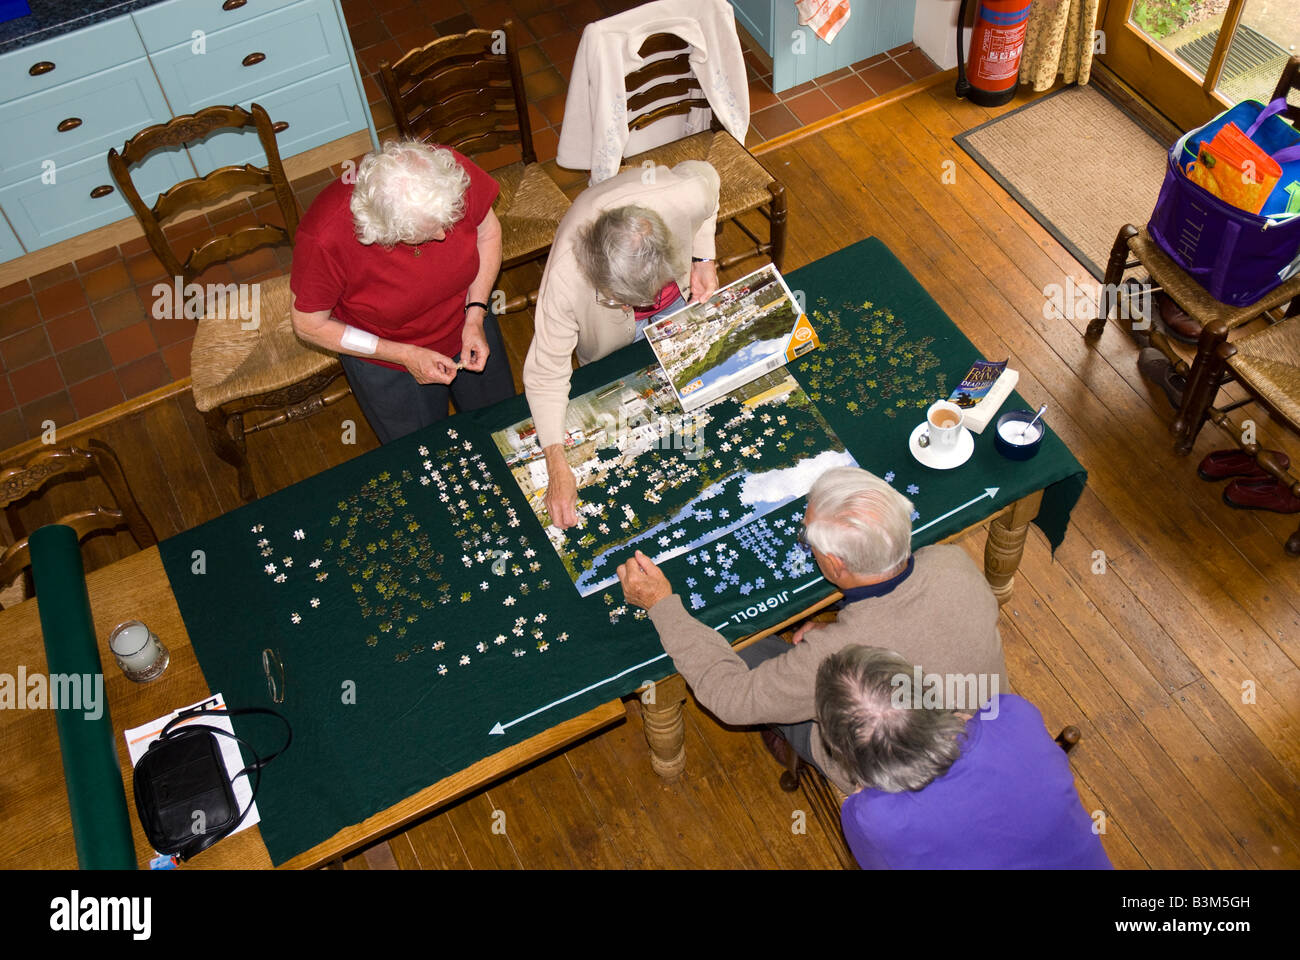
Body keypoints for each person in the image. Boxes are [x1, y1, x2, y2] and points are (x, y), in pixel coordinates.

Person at [616, 465, 1006, 795]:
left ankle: (791, 735)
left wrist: (660, 604)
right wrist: (839, 625)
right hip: (988, 728)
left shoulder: (833, 662)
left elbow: (731, 700)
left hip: (887, 777)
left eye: (807, 539)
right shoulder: (951, 561)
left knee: (734, 646)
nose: (803, 541)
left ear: (836, 565)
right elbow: (901, 622)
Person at [522, 160, 721, 529]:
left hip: (677, 299)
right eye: (624, 298)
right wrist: (556, 460)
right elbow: (546, 374)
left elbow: (708, 176)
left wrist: (703, 256)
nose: (640, 307)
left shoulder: (681, 196)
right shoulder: (566, 277)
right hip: (608, 339)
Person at [290, 140, 514, 444]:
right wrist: (403, 355)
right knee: (424, 451)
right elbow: (308, 325)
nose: (442, 234)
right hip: (388, 360)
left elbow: (488, 232)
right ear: (384, 232)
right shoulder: (325, 236)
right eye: (426, 233)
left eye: (447, 219)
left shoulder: (442, 171)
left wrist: (475, 314)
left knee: (501, 426)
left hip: (469, 319)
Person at [816, 644, 1112, 869]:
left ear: (845, 753)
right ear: (926, 693)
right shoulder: (1014, 714)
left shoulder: (872, 819)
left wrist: (862, 797)